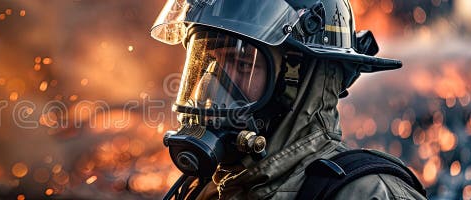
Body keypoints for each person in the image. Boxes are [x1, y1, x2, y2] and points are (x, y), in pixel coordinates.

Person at [150, 0, 427, 199]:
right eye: (210, 62)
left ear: (301, 80)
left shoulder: (369, 194)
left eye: (243, 64)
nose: (209, 87)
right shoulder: (206, 188)